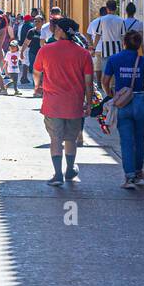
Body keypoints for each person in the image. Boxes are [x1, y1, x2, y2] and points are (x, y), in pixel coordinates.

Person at [34, 16, 93, 186]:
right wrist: (89, 103)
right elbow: (88, 81)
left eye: (57, 28)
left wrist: (37, 86)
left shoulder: (46, 50)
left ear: (61, 31)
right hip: (74, 104)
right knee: (71, 139)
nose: (55, 30)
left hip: (53, 104)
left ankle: (58, 174)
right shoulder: (83, 54)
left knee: (55, 138)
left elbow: (37, 72)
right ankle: (69, 170)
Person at [103, 29, 144, 189]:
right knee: (139, 140)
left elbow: (105, 80)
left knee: (126, 141)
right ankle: (138, 172)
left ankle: (129, 176)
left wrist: (111, 94)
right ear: (139, 45)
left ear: (124, 43)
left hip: (123, 103)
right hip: (140, 102)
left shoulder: (114, 59)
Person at [94, 0, 125, 81]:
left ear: (107, 9)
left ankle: (108, 91)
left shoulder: (102, 20)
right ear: (116, 8)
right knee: (117, 72)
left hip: (106, 50)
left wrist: (94, 47)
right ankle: (115, 90)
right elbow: (123, 36)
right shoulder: (121, 20)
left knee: (106, 73)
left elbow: (98, 34)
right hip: (118, 49)